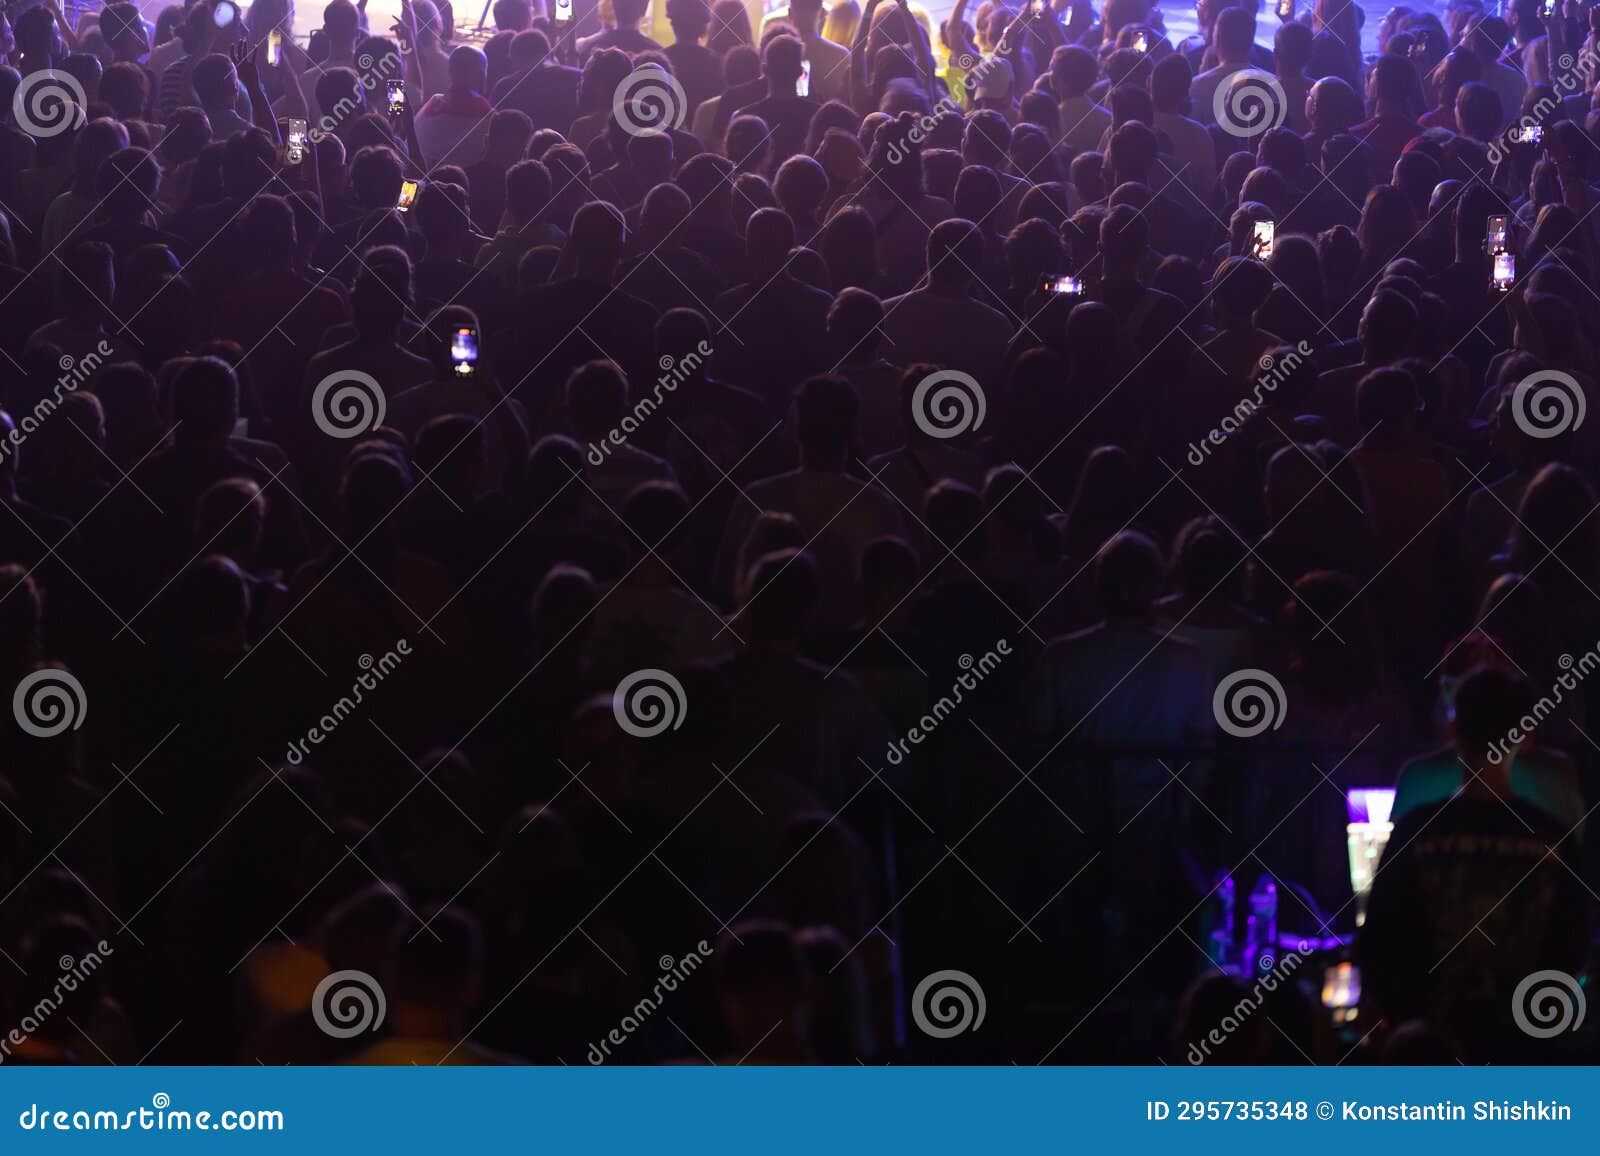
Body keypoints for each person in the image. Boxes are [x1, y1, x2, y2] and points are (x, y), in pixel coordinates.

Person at [1361, 666, 1589, 1062]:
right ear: (1526, 736)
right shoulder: (1553, 840)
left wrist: (1403, 1022)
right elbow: (1571, 949)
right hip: (1522, 1056)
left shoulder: (1417, 832)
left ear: (1453, 732)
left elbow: (1379, 939)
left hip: (1427, 1056)